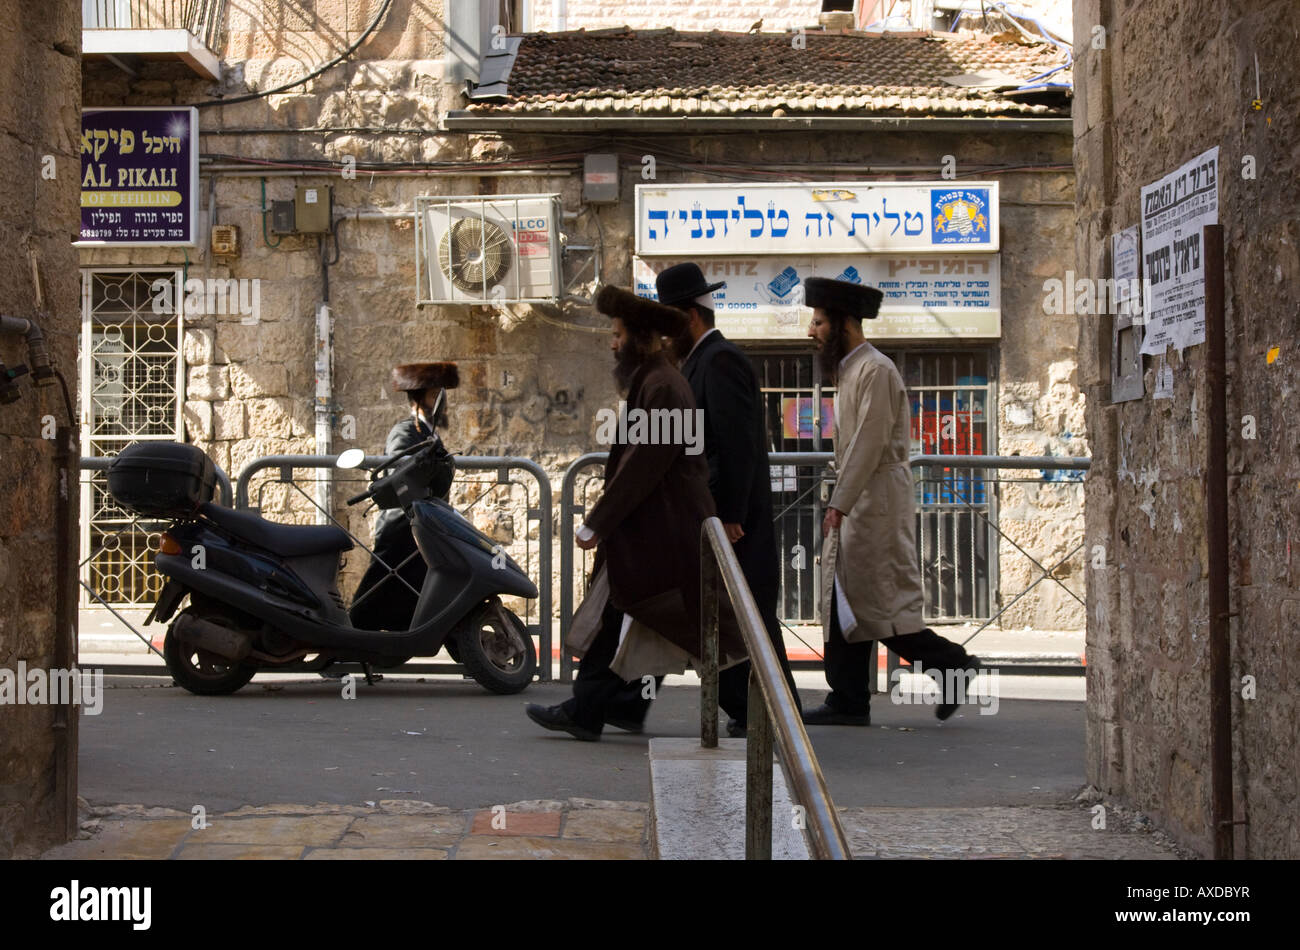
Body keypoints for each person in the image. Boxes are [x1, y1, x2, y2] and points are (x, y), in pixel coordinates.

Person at [526, 285, 747, 741]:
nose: (611, 343)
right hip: (658, 531)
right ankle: (601, 709)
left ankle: (759, 707)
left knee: (699, 630)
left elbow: (643, 464)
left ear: (640, 338)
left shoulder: (662, 384)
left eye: (617, 333)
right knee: (650, 621)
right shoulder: (656, 380)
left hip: (664, 533)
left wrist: (597, 522)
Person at [802, 277, 980, 725]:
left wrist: (839, 502)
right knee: (847, 599)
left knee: (879, 605)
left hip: (873, 503)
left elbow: (868, 443)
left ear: (843, 323)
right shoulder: (852, 368)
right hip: (860, 500)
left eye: (819, 321)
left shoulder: (875, 370)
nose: (811, 330)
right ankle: (847, 699)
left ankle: (951, 664)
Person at [643, 261, 802, 737]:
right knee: (734, 619)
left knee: (748, 619)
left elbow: (737, 445)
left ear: (690, 316)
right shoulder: (696, 362)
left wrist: (730, 513)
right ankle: (765, 712)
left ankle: (776, 715)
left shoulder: (721, 360)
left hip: (733, 519)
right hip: (712, 514)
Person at [348, 362, 457, 632]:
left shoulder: (426, 433)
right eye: (433, 396)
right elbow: (400, 471)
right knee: (376, 592)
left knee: (428, 589)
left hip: (424, 525)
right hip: (401, 527)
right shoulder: (405, 431)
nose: (439, 404)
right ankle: (343, 651)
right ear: (420, 399)